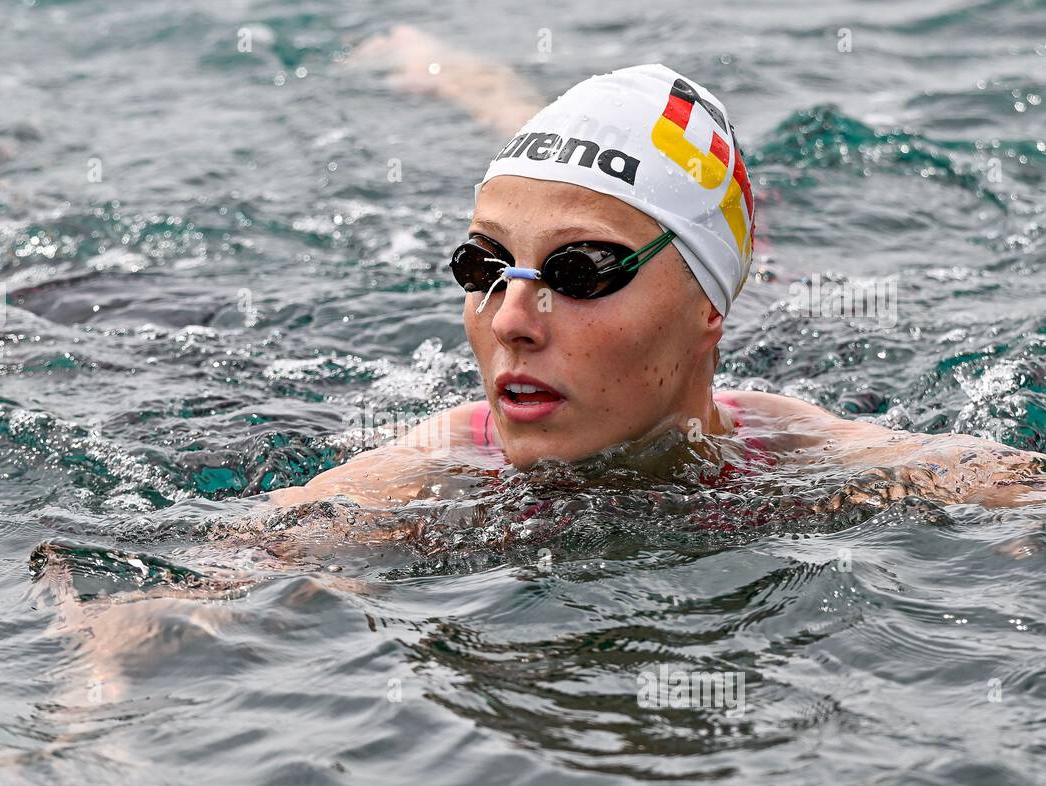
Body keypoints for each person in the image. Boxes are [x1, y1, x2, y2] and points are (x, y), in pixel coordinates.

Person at [270, 35, 1046, 510]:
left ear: (708, 309)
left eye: (581, 271)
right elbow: (208, 582)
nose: (509, 318)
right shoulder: (422, 474)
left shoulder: (803, 455)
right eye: (485, 265)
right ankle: (479, 90)